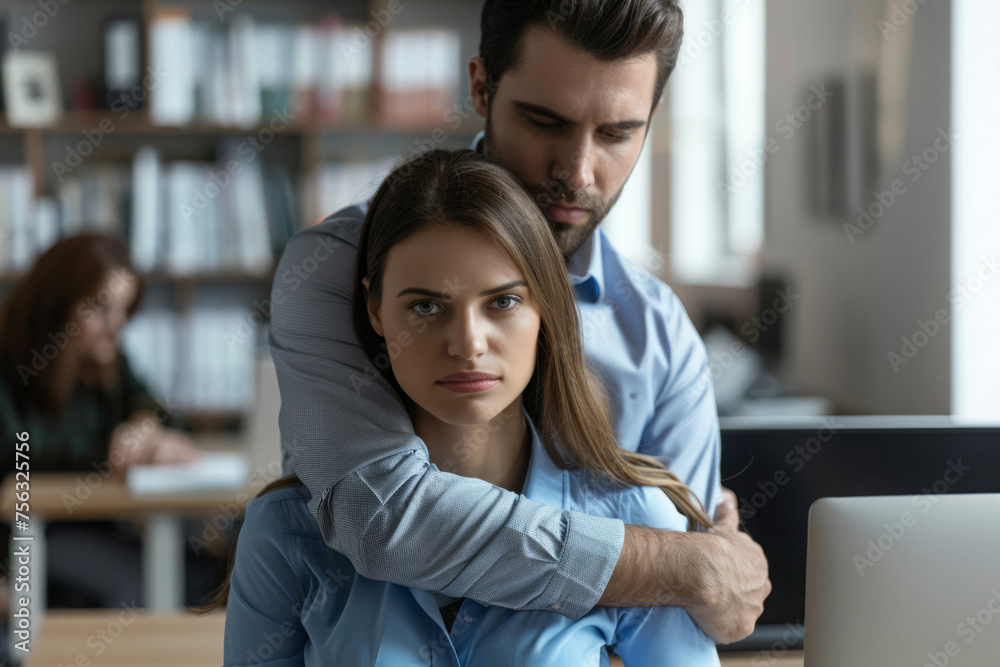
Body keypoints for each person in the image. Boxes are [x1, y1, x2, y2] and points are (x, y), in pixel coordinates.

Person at [270, 0, 769, 642]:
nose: (578, 171)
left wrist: (694, 573)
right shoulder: (337, 268)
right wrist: (674, 564)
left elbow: (696, 610)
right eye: (545, 122)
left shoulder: (661, 337)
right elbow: (385, 517)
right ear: (481, 86)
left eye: (617, 132)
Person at [218, 149, 722, 665]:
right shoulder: (285, 531)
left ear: (545, 306)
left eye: (502, 302)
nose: (468, 343)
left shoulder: (637, 515)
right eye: (427, 307)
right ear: (375, 311)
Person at [0, 234, 202, 608]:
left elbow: (166, 415)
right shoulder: (10, 359)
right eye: (99, 309)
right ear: (59, 304)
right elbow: (19, 451)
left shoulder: (104, 359)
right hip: (25, 539)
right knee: (140, 587)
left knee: (201, 571)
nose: (116, 325)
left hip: (93, 525)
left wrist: (144, 429)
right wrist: (113, 449)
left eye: (125, 310)